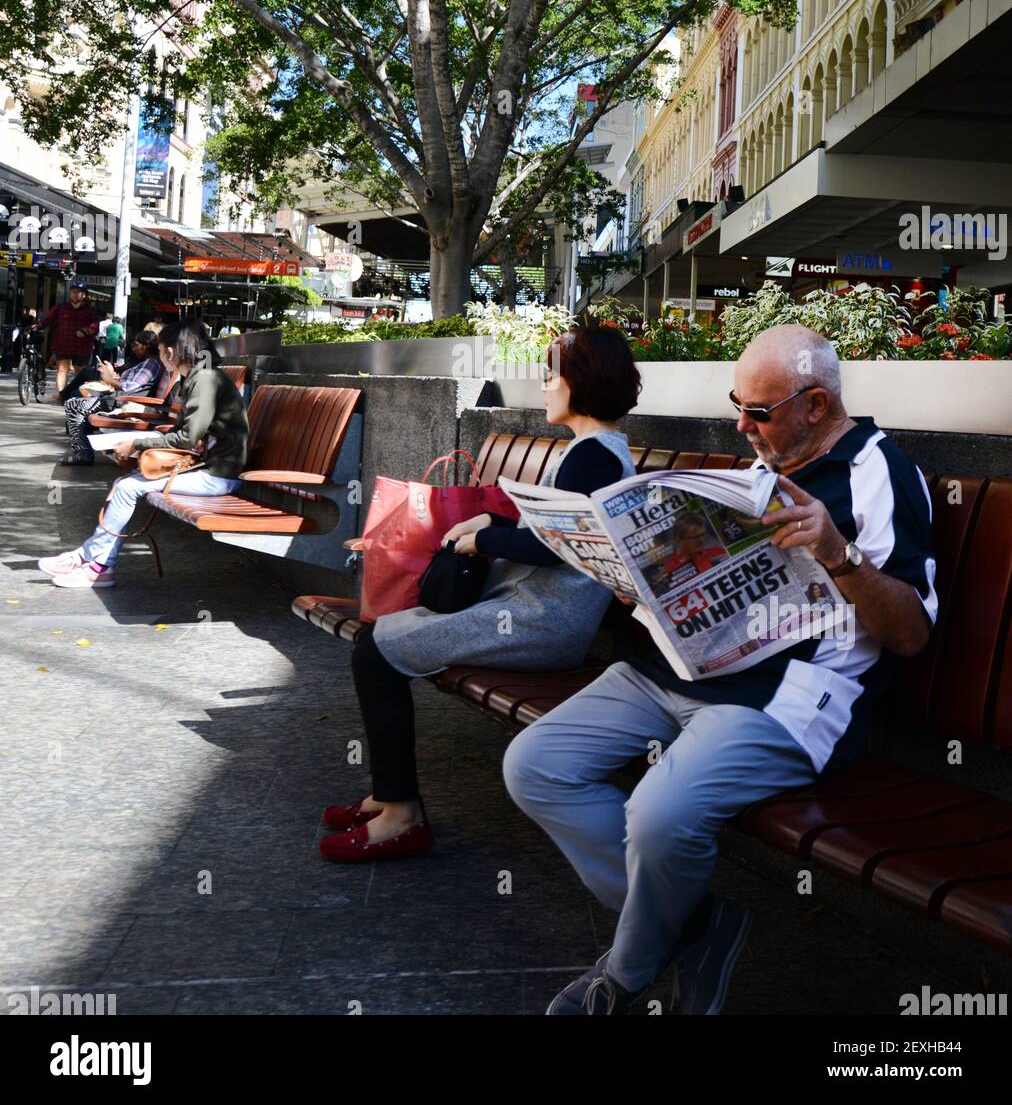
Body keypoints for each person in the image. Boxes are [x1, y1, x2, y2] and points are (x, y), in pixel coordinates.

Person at [504, 324, 938, 1015]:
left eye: (757, 413)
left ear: (816, 406)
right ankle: (696, 925)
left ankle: (625, 976)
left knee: (659, 814)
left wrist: (839, 554)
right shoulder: (762, 470)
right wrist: (638, 579)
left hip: (784, 696)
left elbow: (911, 634)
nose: (742, 426)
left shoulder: (876, 473)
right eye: (737, 405)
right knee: (534, 764)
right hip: (682, 668)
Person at [318, 321, 642, 864]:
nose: (543, 386)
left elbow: (559, 546)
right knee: (378, 643)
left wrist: (482, 538)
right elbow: (559, 535)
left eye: (550, 376)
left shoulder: (594, 457)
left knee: (375, 652)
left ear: (578, 384)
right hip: (536, 609)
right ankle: (389, 796)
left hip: (545, 622)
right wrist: (491, 524)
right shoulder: (598, 451)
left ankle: (400, 813)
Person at [36, 321, 249, 589]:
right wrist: (140, 445)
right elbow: (187, 433)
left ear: (171, 352)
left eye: (160, 351)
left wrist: (138, 443)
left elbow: (187, 437)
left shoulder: (205, 379)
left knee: (126, 488)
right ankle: (90, 559)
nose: (159, 357)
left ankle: (96, 565)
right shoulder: (199, 376)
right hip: (207, 467)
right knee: (123, 485)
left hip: (218, 475)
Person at [60, 329, 162, 466]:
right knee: (76, 399)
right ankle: (83, 451)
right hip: (121, 398)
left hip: (123, 402)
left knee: (73, 404)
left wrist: (108, 377)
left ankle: (83, 454)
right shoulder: (145, 361)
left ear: (146, 346)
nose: (133, 348)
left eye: (136, 345)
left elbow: (128, 388)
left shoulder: (151, 363)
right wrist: (111, 374)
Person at [34, 284, 99, 400]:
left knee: (80, 372)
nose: (74, 294)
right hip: (62, 343)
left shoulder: (91, 310)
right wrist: (37, 326)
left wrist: (85, 331)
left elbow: (95, 326)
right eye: (73, 292)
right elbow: (47, 319)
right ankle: (61, 396)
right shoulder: (61, 307)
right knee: (61, 369)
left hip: (82, 346)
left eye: (78, 292)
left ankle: (78, 397)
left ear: (84, 295)